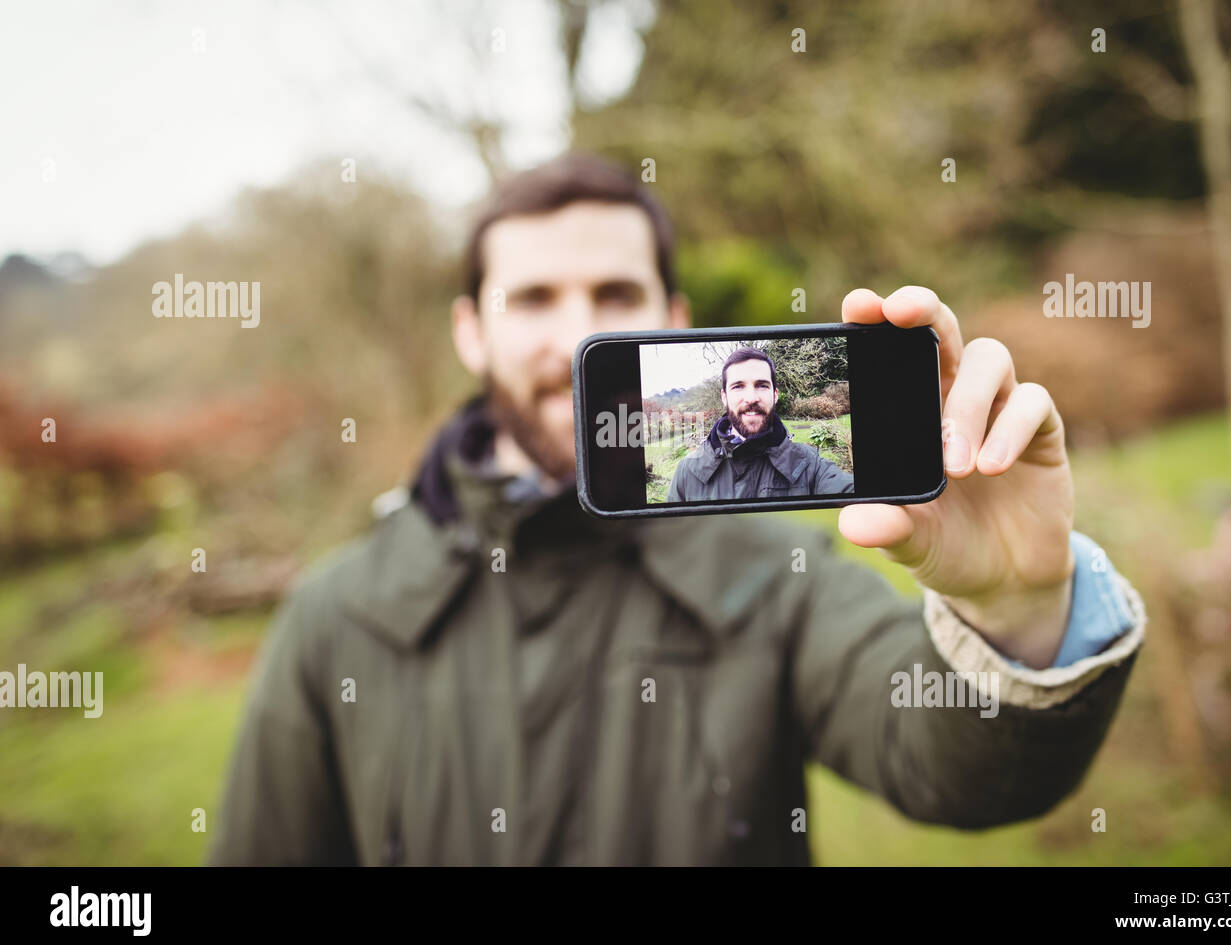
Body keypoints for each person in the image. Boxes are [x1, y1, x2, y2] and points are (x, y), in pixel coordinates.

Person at [209, 152, 1146, 866]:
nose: (577, 333)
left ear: (675, 317)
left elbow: (947, 767)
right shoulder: (335, 622)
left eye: (615, 293)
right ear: (471, 331)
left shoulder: (776, 580)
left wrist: (1020, 611)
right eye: (533, 298)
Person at [666, 346, 853, 501]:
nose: (751, 398)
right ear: (724, 397)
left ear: (775, 395)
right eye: (738, 386)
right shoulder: (687, 472)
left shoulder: (811, 466)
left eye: (762, 385)